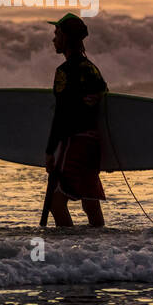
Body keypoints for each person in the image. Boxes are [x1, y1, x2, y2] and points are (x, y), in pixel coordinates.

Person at [45, 13, 107, 226]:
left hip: (74, 142)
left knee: (55, 202)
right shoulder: (92, 69)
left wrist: (49, 151)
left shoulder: (64, 72)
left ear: (66, 38)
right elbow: (103, 101)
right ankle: (98, 244)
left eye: (57, 34)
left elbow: (62, 113)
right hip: (93, 144)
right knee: (90, 202)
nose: (54, 39)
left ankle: (66, 250)